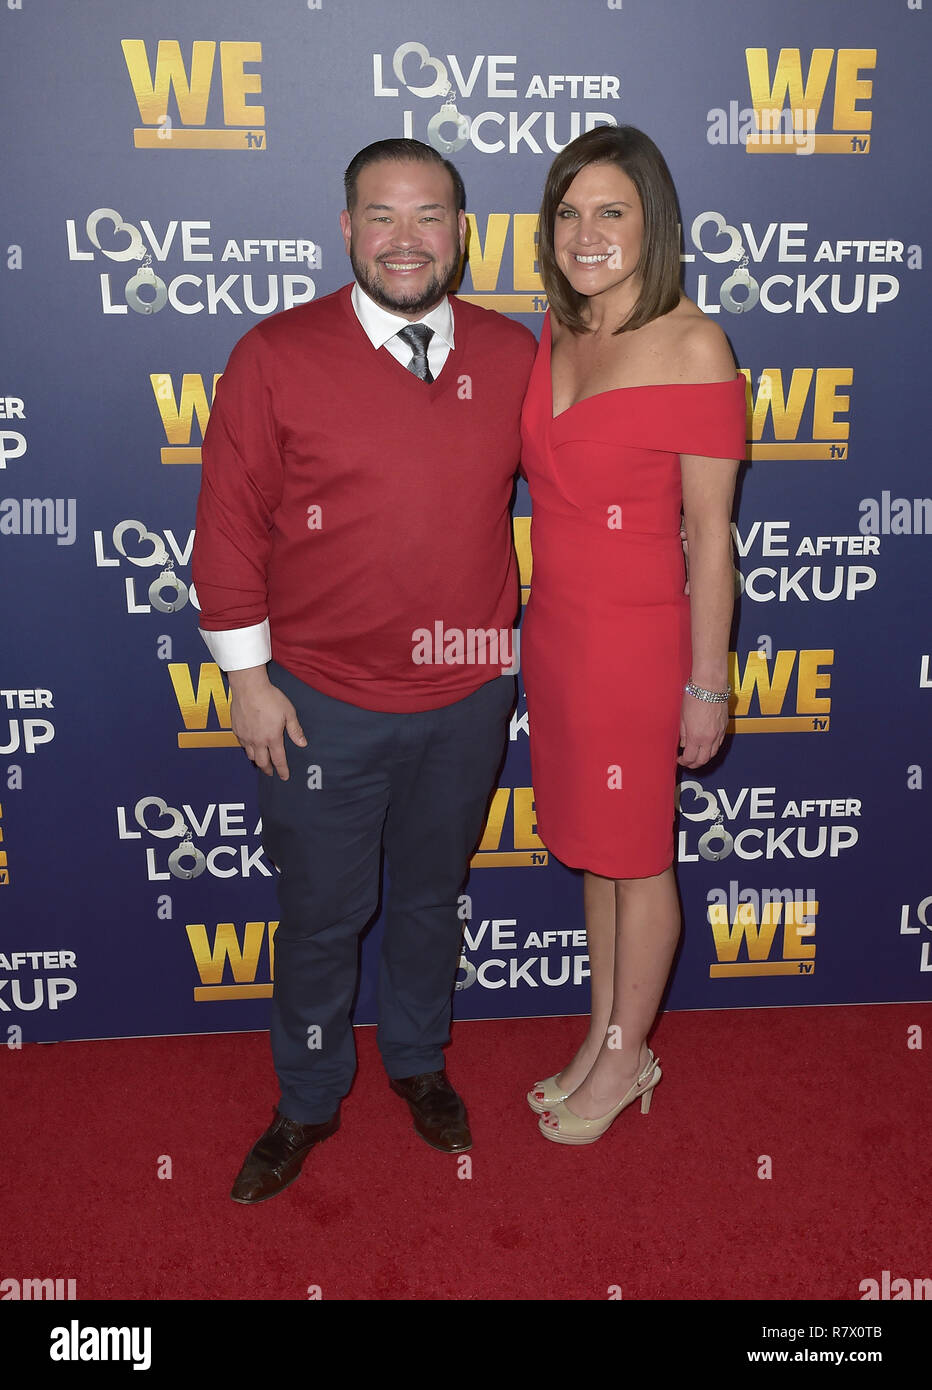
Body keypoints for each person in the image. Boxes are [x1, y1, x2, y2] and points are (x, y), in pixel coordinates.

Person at [192, 138, 537, 1202]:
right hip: (318, 704)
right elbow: (227, 529)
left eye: (428, 215)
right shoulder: (275, 354)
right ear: (345, 230)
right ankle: (305, 1099)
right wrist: (248, 681)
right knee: (321, 915)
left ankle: (418, 1062)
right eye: (380, 216)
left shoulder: (515, 353)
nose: (404, 239)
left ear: (462, 233)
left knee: (434, 898)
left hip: (470, 689)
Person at [519, 126, 746, 1145]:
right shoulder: (553, 332)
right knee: (596, 856)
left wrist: (707, 682)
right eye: (567, 213)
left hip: (637, 646)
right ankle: (603, 1029)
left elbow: (709, 533)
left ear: (651, 222)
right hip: (557, 636)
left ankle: (625, 1057)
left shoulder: (692, 342)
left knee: (637, 856)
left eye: (609, 211)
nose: (585, 232)